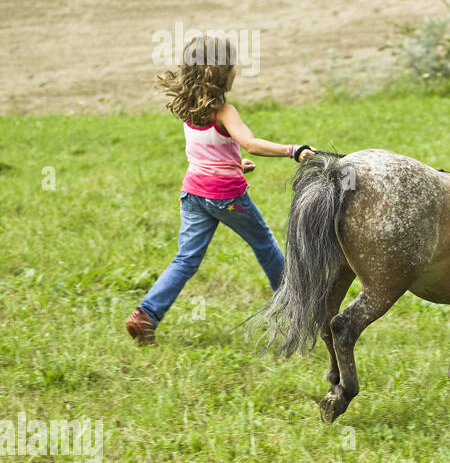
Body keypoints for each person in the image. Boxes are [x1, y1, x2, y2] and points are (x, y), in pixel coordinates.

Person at [125, 35, 316, 345]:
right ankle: (297, 305)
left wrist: (236, 165)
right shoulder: (224, 111)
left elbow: (207, 151)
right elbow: (251, 143)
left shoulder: (190, 108)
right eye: (232, 66)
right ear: (219, 73)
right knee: (265, 245)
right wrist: (294, 150)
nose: (236, 70)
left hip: (194, 195)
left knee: (185, 260)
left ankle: (146, 315)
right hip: (225, 197)